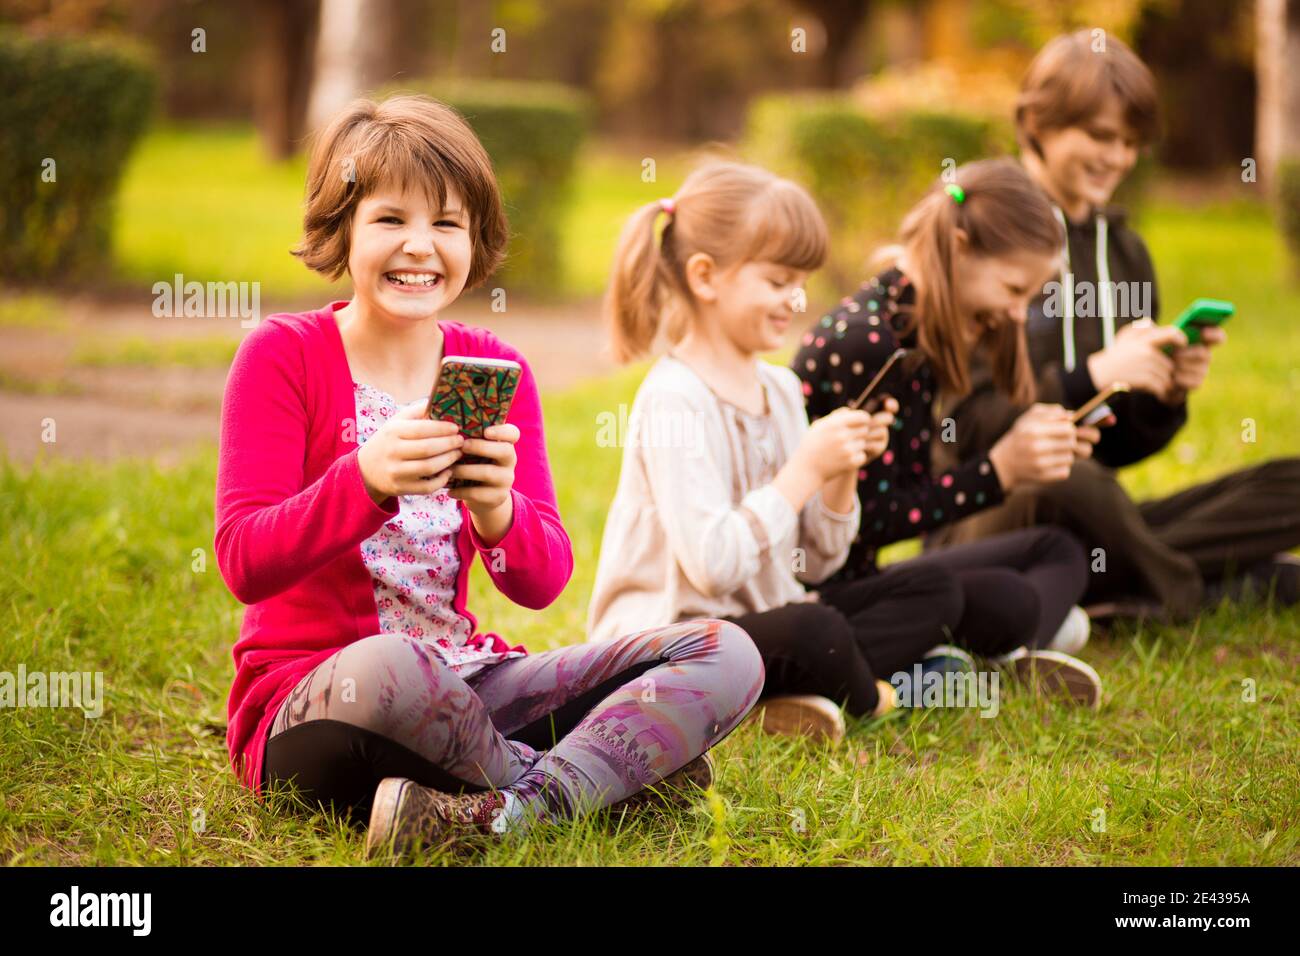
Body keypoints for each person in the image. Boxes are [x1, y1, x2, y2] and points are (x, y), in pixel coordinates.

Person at [214, 94, 764, 859]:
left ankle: (511, 811)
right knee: (395, 669)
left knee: (724, 650)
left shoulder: (495, 367)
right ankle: (607, 782)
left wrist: (500, 510)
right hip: (325, 701)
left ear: (476, 239)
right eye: (390, 220)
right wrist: (364, 481)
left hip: (468, 681)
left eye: (446, 224)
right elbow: (244, 561)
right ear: (342, 227)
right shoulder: (282, 355)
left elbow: (542, 582)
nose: (420, 248)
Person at [587, 160, 970, 742]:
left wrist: (840, 473)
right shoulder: (674, 398)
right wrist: (802, 471)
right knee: (815, 629)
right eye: (776, 282)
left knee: (931, 588)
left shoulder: (782, 390)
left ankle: (777, 702)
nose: (795, 301)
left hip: (767, 622)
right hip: (676, 644)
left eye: (800, 283)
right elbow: (712, 568)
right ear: (705, 277)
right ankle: (881, 697)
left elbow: (818, 564)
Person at [931, 31, 1300, 620]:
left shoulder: (1126, 253)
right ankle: (1190, 586)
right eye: (1100, 136)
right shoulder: (983, 234)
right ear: (1037, 124)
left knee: (1290, 482)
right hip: (988, 512)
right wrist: (1093, 374)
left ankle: (1112, 578)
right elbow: (965, 427)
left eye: (1130, 142)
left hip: (1099, 515)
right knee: (1066, 475)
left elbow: (1120, 445)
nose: (1118, 158)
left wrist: (1162, 393)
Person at [793, 158, 1102, 707]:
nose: (1015, 313)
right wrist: (998, 472)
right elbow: (861, 524)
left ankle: (990, 658)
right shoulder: (870, 344)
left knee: (1058, 550)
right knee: (1002, 601)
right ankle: (969, 661)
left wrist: (1024, 454)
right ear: (959, 247)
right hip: (821, 587)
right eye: (1014, 288)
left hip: (873, 581)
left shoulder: (919, 324)